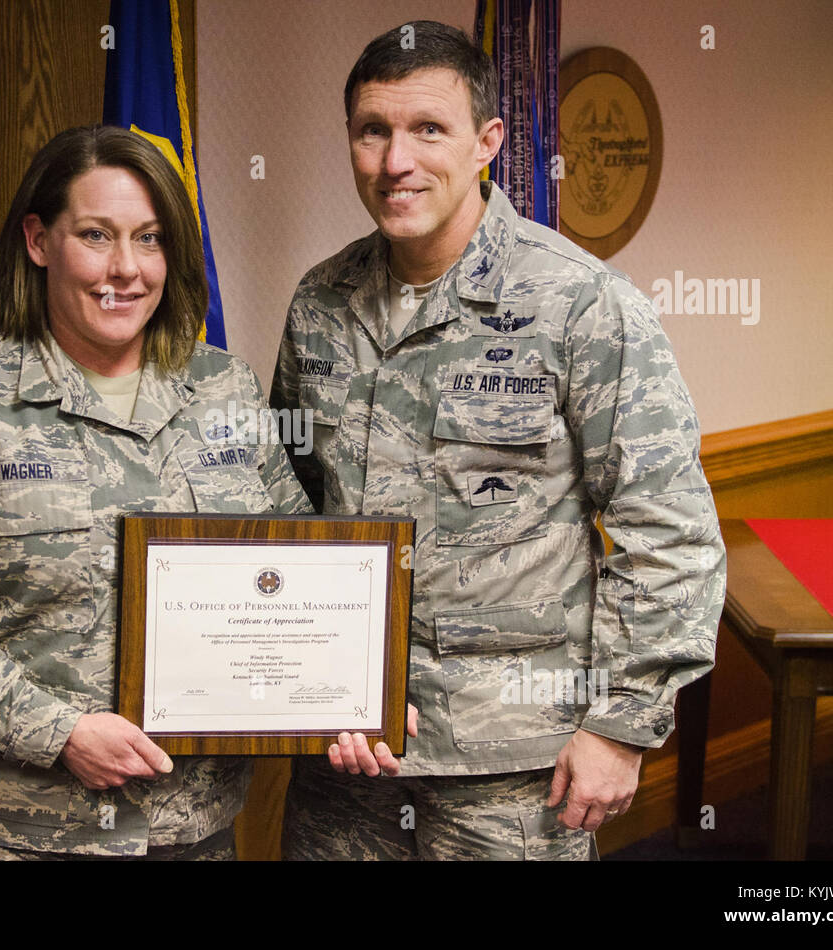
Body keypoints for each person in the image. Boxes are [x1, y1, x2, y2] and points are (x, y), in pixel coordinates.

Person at [271, 21, 726, 860]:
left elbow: (669, 528)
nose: (395, 160)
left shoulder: (581, 303)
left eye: (427, 129)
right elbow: (289, 508)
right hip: (347, 752)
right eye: (373, 131)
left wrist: (622, 725)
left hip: (513, 764)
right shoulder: (320, 304)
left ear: (488, 142)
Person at [0, 125, 310, 860]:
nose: (126, 269)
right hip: (15, 836)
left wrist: (345, 696)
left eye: (151, 238)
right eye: (97, 235)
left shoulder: (223, 387)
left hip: (190, 830)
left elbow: (300, 570)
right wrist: (59, 733)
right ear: (39, 241)